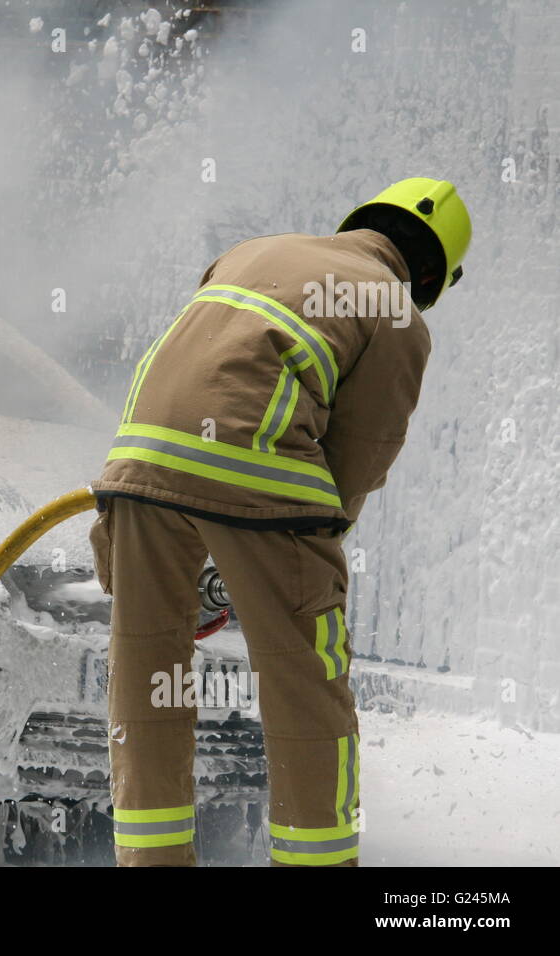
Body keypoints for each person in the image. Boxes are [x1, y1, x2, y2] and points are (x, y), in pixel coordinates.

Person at [89, 178, 472, 866]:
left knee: (147, 662)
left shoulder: (251, 252)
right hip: (258, 474)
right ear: (431, 274)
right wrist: (305, 554)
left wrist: (203, 562)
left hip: (137, 465)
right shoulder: (396, 315)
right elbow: (359, 457)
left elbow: (199, 370)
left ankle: (151, 859)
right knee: (303, 678)